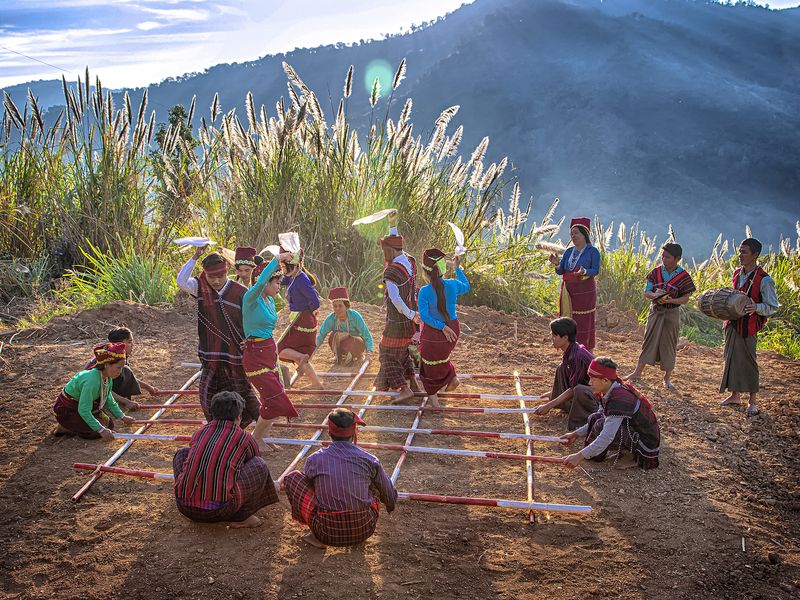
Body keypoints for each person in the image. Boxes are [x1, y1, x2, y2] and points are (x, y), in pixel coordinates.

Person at [282, 408, 398, 548]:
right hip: (365, 528)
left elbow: (311, 485)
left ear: (330, 432)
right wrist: (389, 504)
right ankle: (355, 529)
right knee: (374, 482)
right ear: (355, 431)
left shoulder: (315, 459)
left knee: (293, 477)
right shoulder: (369, 460)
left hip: (326, 532)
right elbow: (388, 493)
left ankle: (315, 534)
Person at [177, 246, 260, 427]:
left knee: (244, 393)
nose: (215, 281)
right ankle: (217, 427)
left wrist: (251, 339)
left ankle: (259, 430)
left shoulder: (241, 292)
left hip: (236, 353)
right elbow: (181, 281)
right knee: (208, 395)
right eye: (211, 277)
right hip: (211, 354)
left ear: (227, 272)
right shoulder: (200, 288)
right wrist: (195, 255)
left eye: (219, 277)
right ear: (204, 274)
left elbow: (252, 319)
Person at [173, 391, 280, 528]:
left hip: (184, 508)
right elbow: (255, 467)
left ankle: (191, 497)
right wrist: (272, 485)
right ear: (238, 417)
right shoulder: (244, 438)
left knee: (182, 453)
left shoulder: (200, 432)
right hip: (219, 511)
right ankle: (242, 517)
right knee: (259, 464)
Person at [242, 254, 301, 453]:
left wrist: (294, 263)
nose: (279, 286)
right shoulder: (251, 298)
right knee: (274, 398)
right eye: (276, 282)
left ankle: (263, 437)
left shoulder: (269, 301)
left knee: (271, 398)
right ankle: (255, 439)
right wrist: (276, 259)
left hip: (268, 353)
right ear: (265, 282)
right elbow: (258, 283)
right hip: (256, 355)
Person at [560, 357, 661, 470]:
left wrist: (579, 456)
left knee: (600, 425)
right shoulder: (608, 391)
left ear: (605, 380)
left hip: (645, 441)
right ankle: (623, 450)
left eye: (593, 379)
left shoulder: (618, 398)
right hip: (634, 430)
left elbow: (607, 436)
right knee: (595, 418)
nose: (589, 382)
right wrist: (575, 434)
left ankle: (634, 456)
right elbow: (601, 415)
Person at [720, 238, 780, 416]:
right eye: (739, 251)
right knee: (730, 358)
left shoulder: (764, 279)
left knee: (748, 362)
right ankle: (735, 395)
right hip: (733, 323)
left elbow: (773, 306)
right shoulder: (737, 273)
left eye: (744, 252)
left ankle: (752, 401)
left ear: (755, 255)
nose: (740, 255)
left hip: (749, 327)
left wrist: (756, 307)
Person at [626, 243, 696, 390]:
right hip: (656, 310)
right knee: (649, 339)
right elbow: (647, 292)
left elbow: (685, 299)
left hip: (672, 313)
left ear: (677, 259)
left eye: (668, 257)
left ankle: (667, 378)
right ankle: (637, 372)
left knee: (669, 343)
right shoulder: (655, 272)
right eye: (663, 256)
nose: (664, 259)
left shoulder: (684, 276)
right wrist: (655, 296)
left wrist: (670, 300)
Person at [374, 210, 420, 403]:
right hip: (409, 318)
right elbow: (395, 241)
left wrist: (410, 315)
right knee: (402, 351)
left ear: (389, 251)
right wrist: (392, 224)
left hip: (399, 319)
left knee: (387, 353)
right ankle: (413, 382)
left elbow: (396, 300)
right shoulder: (409, 260)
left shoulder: (392, 271)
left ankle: (404, 388)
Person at [417, 249, 470, 407]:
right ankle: (452, 378)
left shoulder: (424, 291)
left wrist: (441, 327)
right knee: (443, 357)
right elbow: (466, 286)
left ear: (425, 272)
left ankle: (434, 399)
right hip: (453, 329)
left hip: (433, 333)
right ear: (443, 269)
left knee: (428, 363)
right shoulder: (453, 285)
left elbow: (425, 316)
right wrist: (457, 268)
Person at [53, 342, 135, 439]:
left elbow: (109, 398)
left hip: (83, 406)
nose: (120, 371)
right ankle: (64, 426)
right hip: (68, 409)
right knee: (94, 433)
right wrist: (101, 430)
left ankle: (75, 424)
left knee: (109, 425)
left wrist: (122, 417)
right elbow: (83, 410)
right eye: (118, 367)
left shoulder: (107, 377)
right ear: (107, 365)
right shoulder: (92, 381)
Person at [532, 318, 598, 430]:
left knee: (579, 390)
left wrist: (549, 406)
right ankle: (566, 404)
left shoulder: (577, 356)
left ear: (565, 337)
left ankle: (585, 420)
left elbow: (574, 388)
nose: (552, 339)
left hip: (599, 396)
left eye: (554, 335)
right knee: (561, 368)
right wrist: (553, 392)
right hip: (588, 387)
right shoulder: (570, 351)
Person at [548, 217, 601, 350]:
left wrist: (584, 272)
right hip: (569, 292)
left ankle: (585, 351)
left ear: (585, 234)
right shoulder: (568, 252)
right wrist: (556, 264)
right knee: (568, 320)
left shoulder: (592, 252)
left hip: (585, 293)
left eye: (576, 232)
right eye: (572, 233)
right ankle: (569, 349)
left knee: (584, 321)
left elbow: (595, 270)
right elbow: (561, 271)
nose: (573, 236)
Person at [277, 247, 325, 390]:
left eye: (284, 266)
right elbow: (280, 279)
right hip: (300, 319)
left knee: (281, 349)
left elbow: (315, 302)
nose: (283, 269)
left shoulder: (302, 279)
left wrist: (307, 314)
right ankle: (316, 384)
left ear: (294, 265)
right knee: (298, 355)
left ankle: (302, 356)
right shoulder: (293, 277)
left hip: (303, 320)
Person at [84, 327, 162, 411]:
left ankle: (118, 401)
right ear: (120, 345)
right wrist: (126, 402)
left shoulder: (116, 355)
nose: (132, 345)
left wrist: (148, 388)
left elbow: (128, 377)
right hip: (93, 392)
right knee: (125, 370)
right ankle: (113, 403)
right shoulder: (109, 360)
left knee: (125, 371)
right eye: (129, 342)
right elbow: (102, 387)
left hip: (102, 388)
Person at [315, 287, 374, 366]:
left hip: (356, 344)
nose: (337, 309)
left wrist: (369, 354)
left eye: (340, 306)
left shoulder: (355, 316)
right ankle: (340, 355)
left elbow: (367, 335)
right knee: (333, 336)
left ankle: (358, 356)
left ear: (346, 306)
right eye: (335, 306)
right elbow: (321, 336)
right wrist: (311, 353)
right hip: (342, 345)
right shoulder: (331, 318)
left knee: (349, 340)